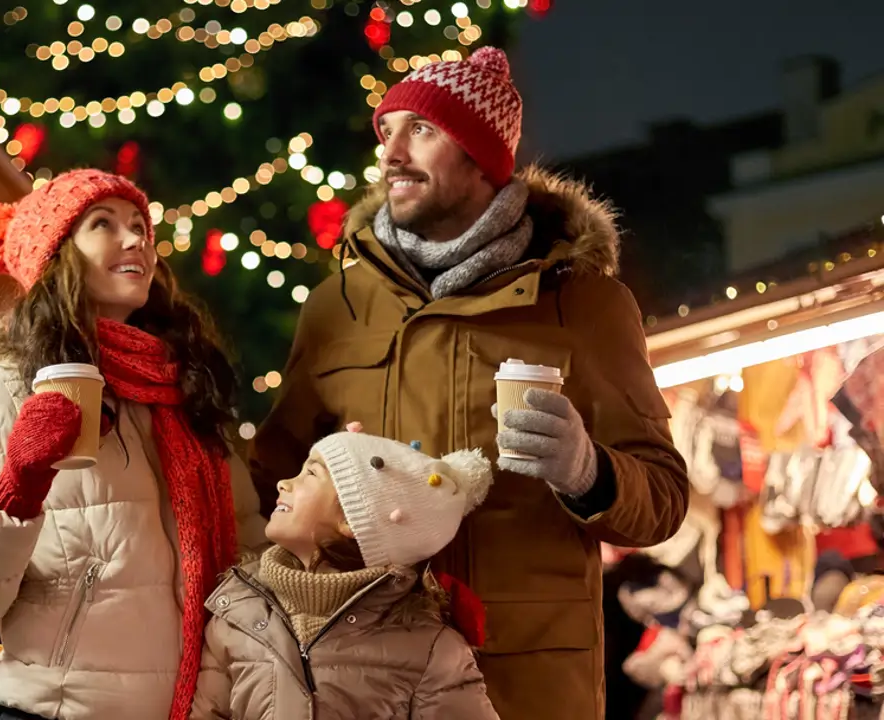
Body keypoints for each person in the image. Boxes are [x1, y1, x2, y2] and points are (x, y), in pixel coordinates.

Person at [249, 47, 690, 720]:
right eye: (386, 130)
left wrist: (587, 471)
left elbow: (663, 497)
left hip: (523, 685)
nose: (392, 152)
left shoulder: (584, 304)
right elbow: (266, 487)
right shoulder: (335, 307)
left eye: (420, 130)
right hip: (366, 685)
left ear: (481, 157)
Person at [0, 169, 268, 720]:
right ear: (56, 255)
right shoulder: (3, 391)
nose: (136, 239)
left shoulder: (186, 387)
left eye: (140, 226)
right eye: (103, 224)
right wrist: (20, 485)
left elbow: (248, 562)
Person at [194, 424, 500, 719]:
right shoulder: (235, 614)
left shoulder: (430, 647)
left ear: (352, 521)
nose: (283, 483)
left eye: (310, 473)